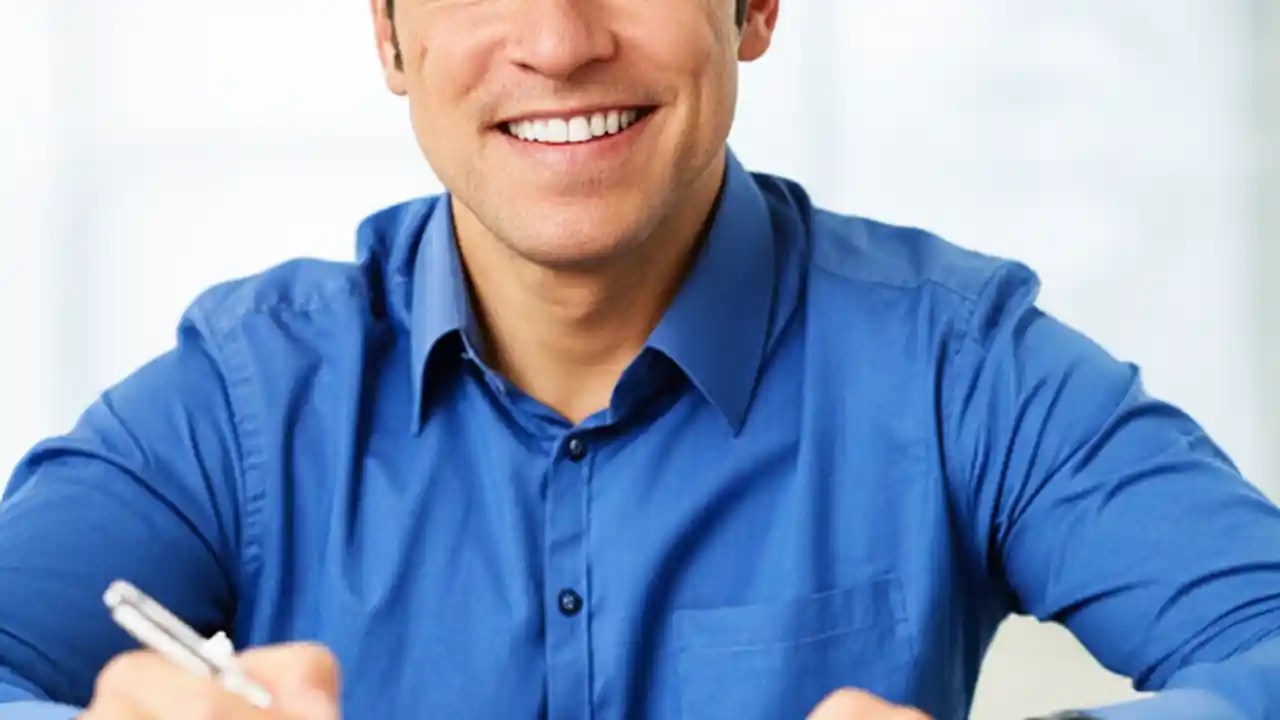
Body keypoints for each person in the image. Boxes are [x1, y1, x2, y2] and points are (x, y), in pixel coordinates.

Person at [1, 0, 1278, 717]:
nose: (557, 41)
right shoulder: (248, 394)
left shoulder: (960, 367)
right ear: (389, 37)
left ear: (755, 5)